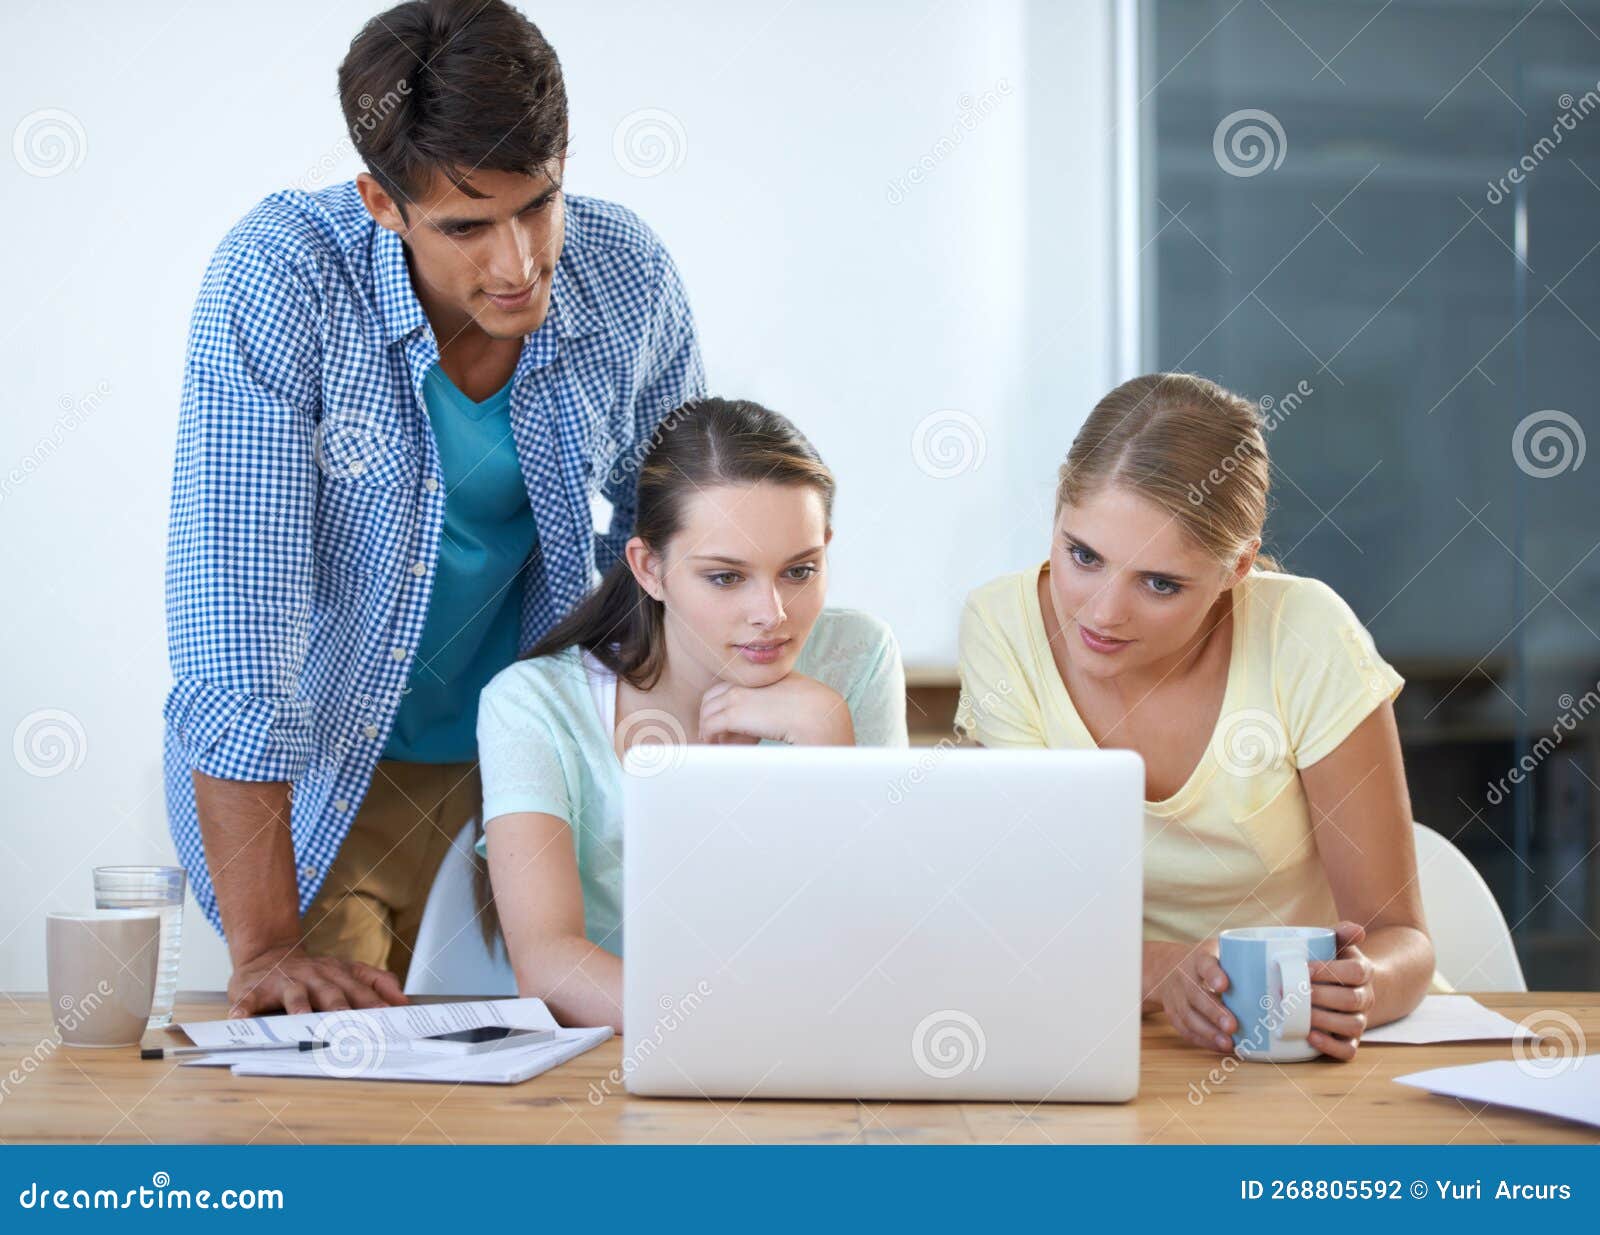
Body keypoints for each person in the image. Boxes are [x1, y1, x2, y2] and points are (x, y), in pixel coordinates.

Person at [162, 0, 704, 1018]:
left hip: (540, 771)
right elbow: (237, 619)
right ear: (381, 200)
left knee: (567, 1096)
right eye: (465, 225)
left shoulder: (626, 273)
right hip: (333, 786)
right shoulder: (283, 280)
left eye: (537, 204)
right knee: (337, 1101)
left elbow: (682, 540)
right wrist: (268, 945)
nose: (517, 264)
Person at [956, 372, 1439, 1062]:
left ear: (1235, 569)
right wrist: (1161, 971)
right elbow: (1032, 924)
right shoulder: (1002, 625)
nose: (1101, 612)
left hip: (1309, 1049)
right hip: (1109, 1041)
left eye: (1160, 583)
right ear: (1058, 513)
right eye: (1083, 555)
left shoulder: (1304, 633)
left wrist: (1360, 987)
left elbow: (1403, 940)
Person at [476, 398, 908, 1031]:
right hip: (629, 1055)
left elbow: (880, 924)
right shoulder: (532, 705)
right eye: (726, 578)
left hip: (828, 1045)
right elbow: (547, 964)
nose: (773, 614)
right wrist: (742, 1025)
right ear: (650, 569)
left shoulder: (856, 657)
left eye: (800, 571)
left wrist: (826, 735)